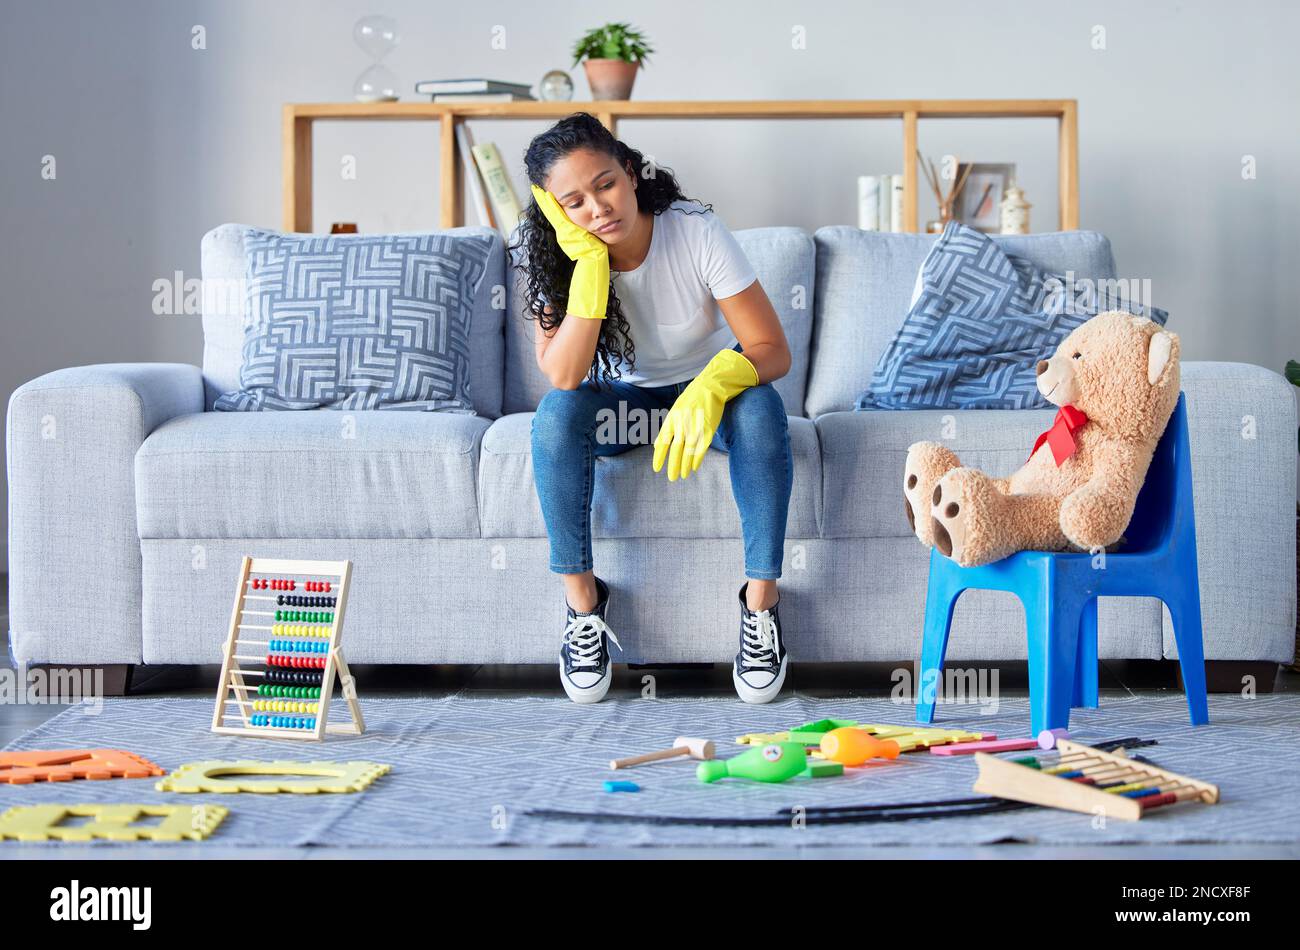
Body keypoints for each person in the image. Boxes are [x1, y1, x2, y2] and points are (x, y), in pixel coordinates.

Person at [509, 113, 794, 705]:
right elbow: (562, 376)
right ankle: (584, 606)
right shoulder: (560, 259)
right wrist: (589, 268)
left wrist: (714, 382)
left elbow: (772, 349)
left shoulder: (694, 231)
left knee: (763, 408)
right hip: (621, 403)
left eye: (605, 183)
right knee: (556, 417)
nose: (599, 209)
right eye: (575, 202)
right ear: (558, 214)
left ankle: (761, 608)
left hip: (707, 399)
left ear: (632, 173)